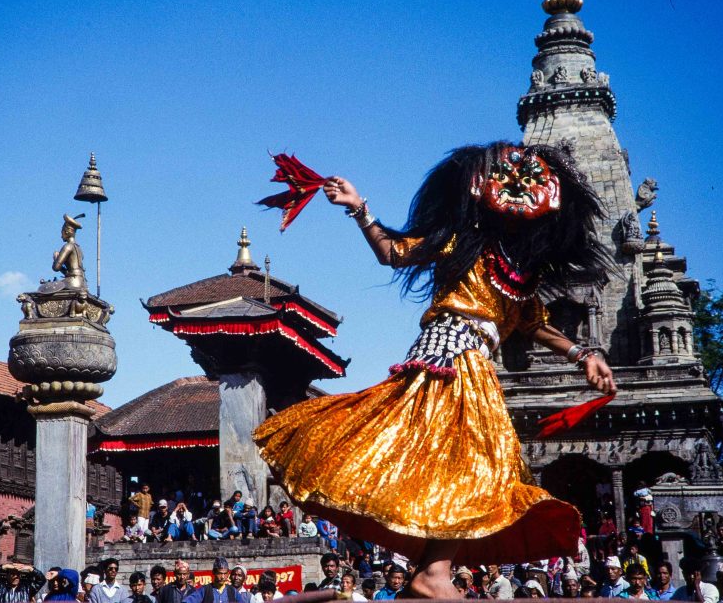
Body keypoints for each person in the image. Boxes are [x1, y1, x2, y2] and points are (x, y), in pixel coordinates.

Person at [253, 143, 615, 599]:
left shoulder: (520, 274)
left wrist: (585, 357)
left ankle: (432, 569)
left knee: (466, 467)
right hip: (449, 353)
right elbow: (394, 253)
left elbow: (534, 324)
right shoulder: (460, 241)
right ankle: (434, 571)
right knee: (476, 463)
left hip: (475, 362)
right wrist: (360, 208)